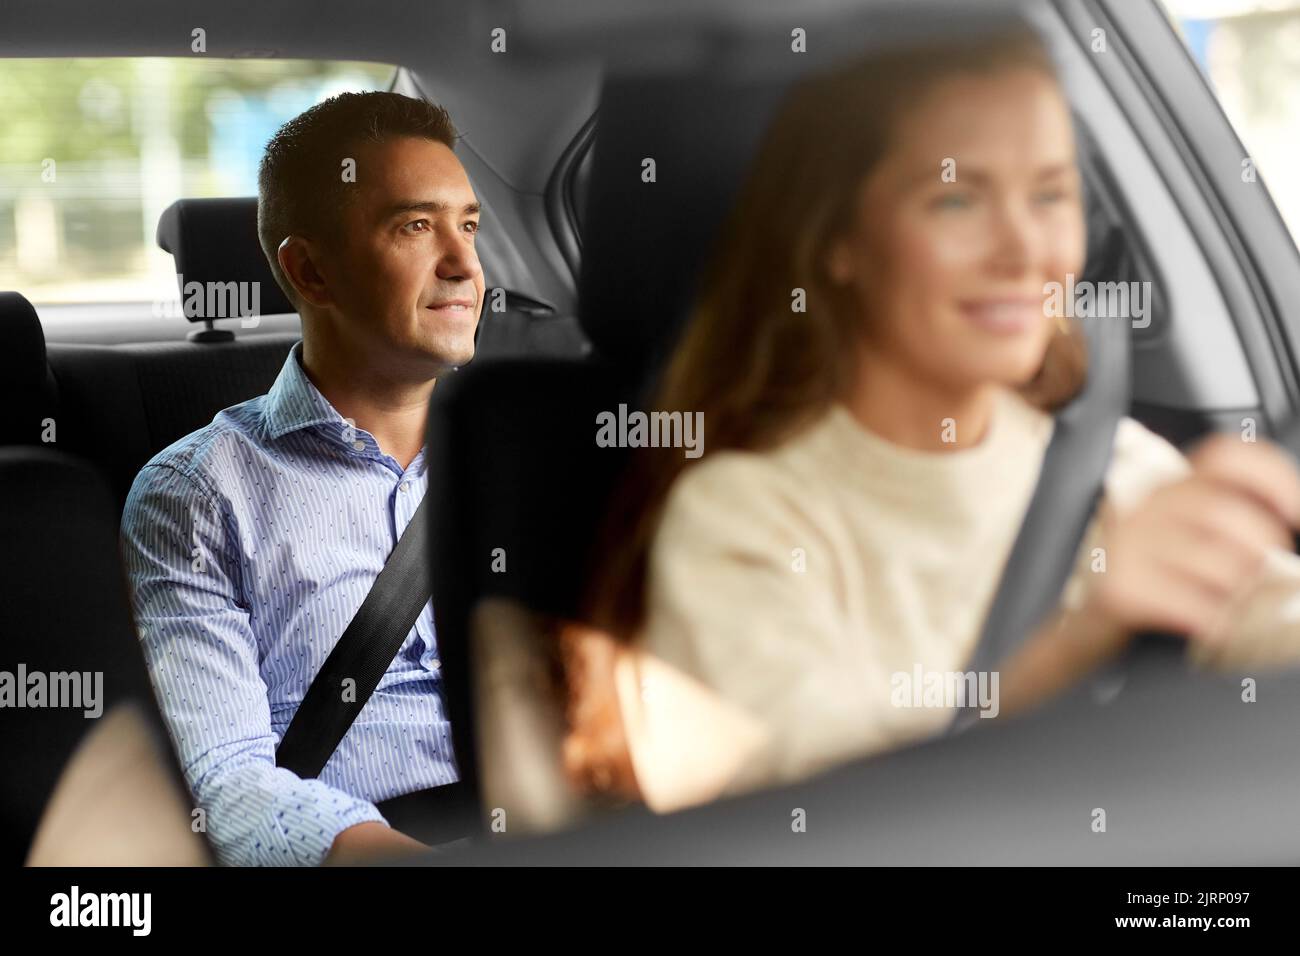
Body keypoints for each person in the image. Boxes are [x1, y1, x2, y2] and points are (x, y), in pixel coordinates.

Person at [559, 27, 1300, 809]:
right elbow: (809, 815)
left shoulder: (1112, 462)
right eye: (957, 198)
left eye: (1051, 194)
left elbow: (1271, 616)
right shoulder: (742, 521)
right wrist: (1079, 641)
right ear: (838, 240)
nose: (1025, 250)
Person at [121, 91, 484, 865]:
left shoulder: (525, 455)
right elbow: (227, 780)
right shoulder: (195, 493)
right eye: (416, 226)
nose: (464, 265)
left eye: (470, 225)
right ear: (309, 270)